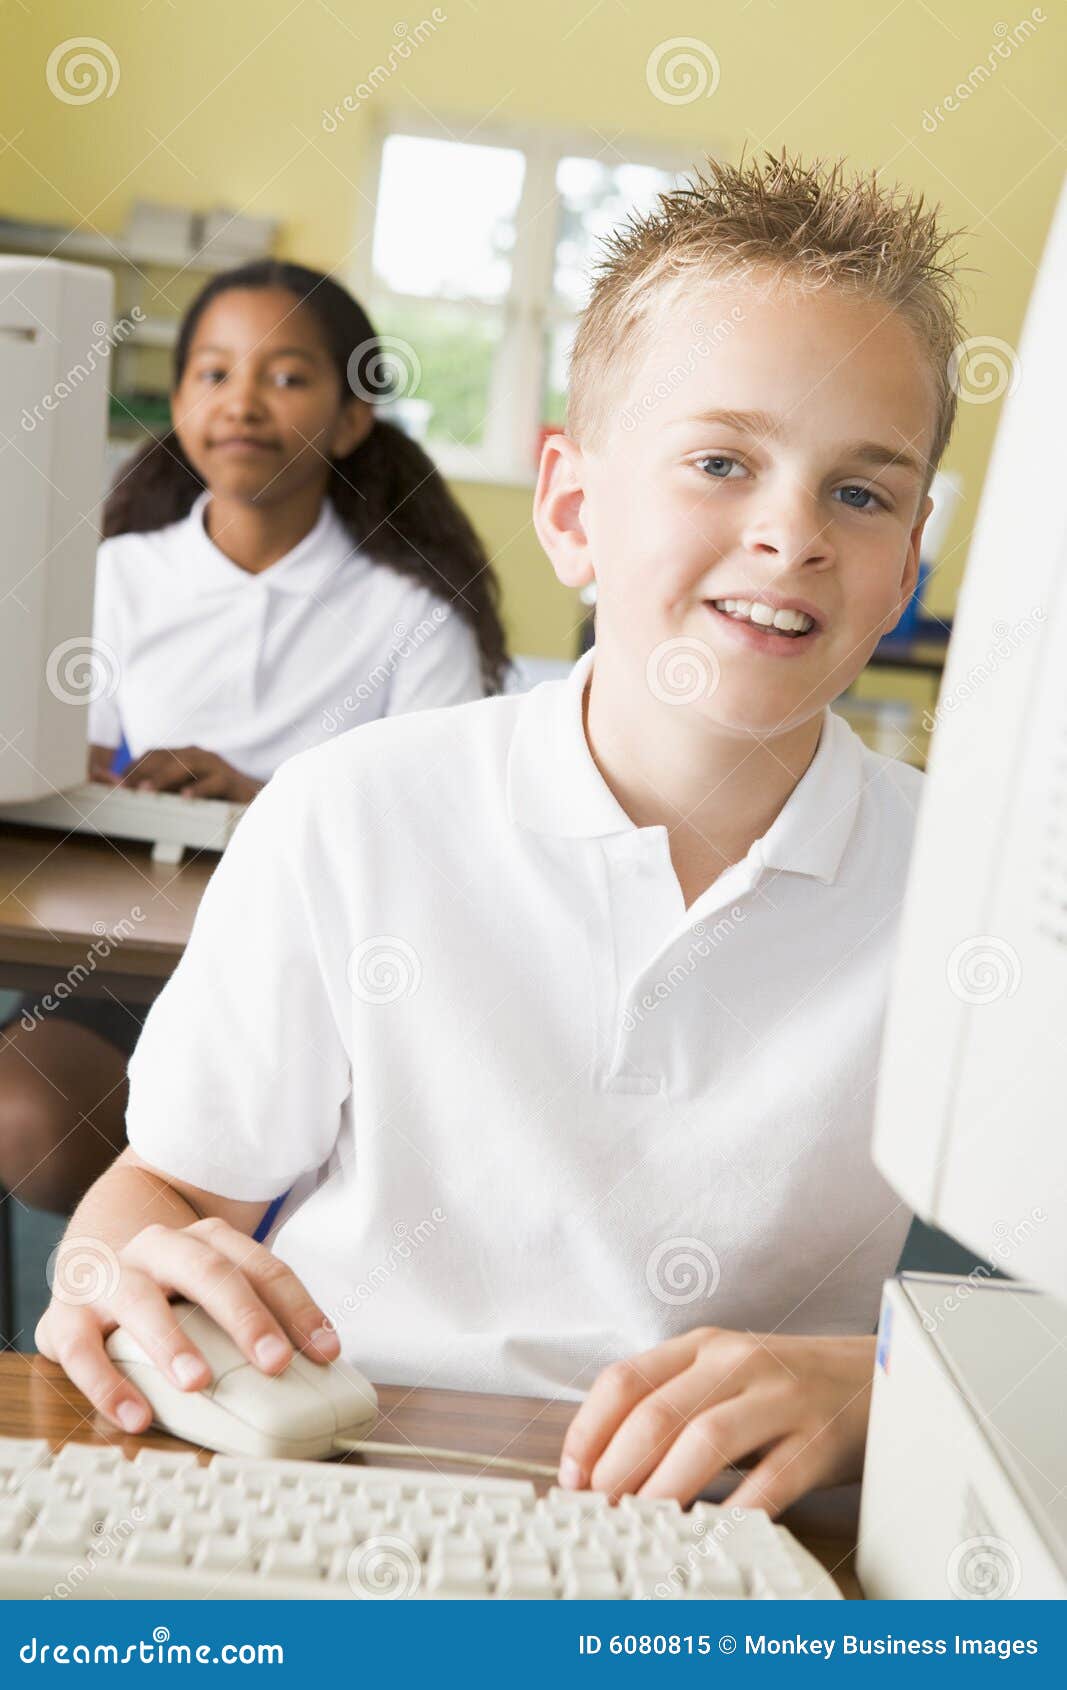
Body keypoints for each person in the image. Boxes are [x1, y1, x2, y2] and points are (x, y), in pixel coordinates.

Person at [38, 149, 968, 1517]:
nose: (788, 534)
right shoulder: (351, 814)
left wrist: (878, 1385)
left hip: (732, 1535)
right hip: (345, 1479)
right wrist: (113, 1274)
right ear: (572, 508)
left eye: (860, 491)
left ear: (904, 564)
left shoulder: (977, 891)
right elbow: (169, 1186)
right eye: (718, 461)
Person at [0, 259, 507, 1214]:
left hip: (326, 976)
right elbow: (56, 765)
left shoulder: (411, 615)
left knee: (349, 1165)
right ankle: (163, 1242)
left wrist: (265, 797)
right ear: (181, 399)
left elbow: (446, 835)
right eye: (213, 372)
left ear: (353, 418)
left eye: (287, 376)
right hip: (124, 951)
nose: (244, 401)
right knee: (29, 1121)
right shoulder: (112, 576)